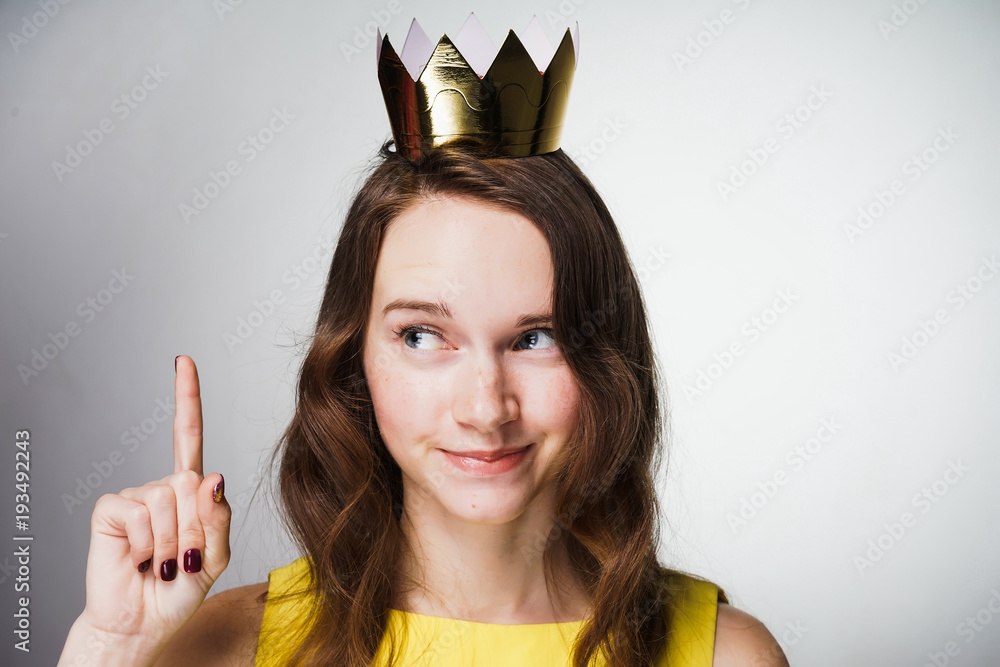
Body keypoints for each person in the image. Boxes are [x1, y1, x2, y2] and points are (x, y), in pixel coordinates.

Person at [60, 16, 789, 667]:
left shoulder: (727, 655)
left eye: (535, 336)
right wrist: (113, 652)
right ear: (356, 362)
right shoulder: (226, 647)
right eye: (421, 335)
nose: (485, 407)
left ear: (606, 360)